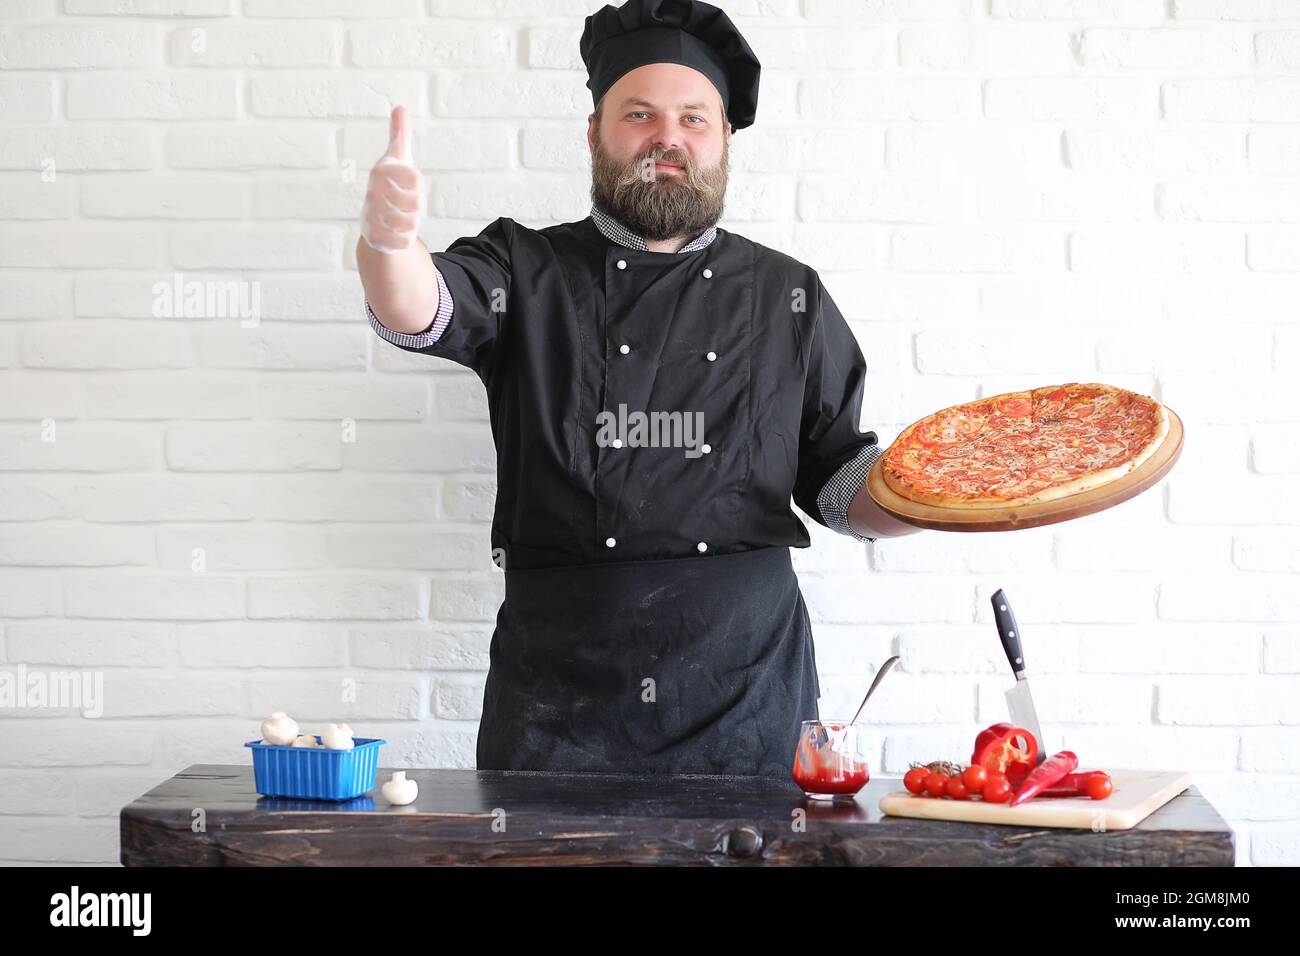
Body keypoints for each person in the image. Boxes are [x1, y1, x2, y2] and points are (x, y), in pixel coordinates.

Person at [357, 0, 920, 778]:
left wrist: (941, 502)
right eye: (640, 114)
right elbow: (423, 306)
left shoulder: (788, 293)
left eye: (694, 118)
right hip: (558, 700)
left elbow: (837, 480)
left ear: (724, 140)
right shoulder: (525, 268)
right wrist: (388, 246)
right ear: (595, 134)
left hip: (746, 695)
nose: (668, 137)